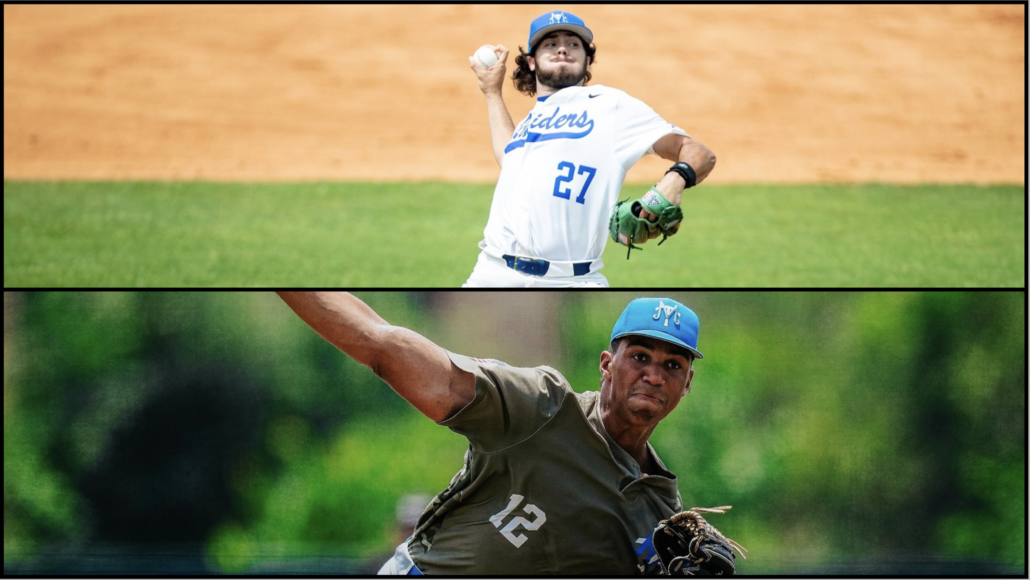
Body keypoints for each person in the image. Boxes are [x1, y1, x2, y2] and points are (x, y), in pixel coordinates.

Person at [277, 292, 706, 575]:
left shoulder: (663, 515)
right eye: (640, 356)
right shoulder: (541, 407)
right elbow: (384, 346)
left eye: (672, 365)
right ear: (607, 365)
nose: (653, 374)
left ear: (686, 385)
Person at [464, 10, 717, 287]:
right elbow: (510, 159)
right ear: (531, 62)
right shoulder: (531, 120)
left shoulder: (610, 105)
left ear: (588, 61)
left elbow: (699, 153)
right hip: (492, 271)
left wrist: (673, 181)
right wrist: (492, 93)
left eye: (573, 44)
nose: (562, 48)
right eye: (550, 44)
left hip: (572, 280)